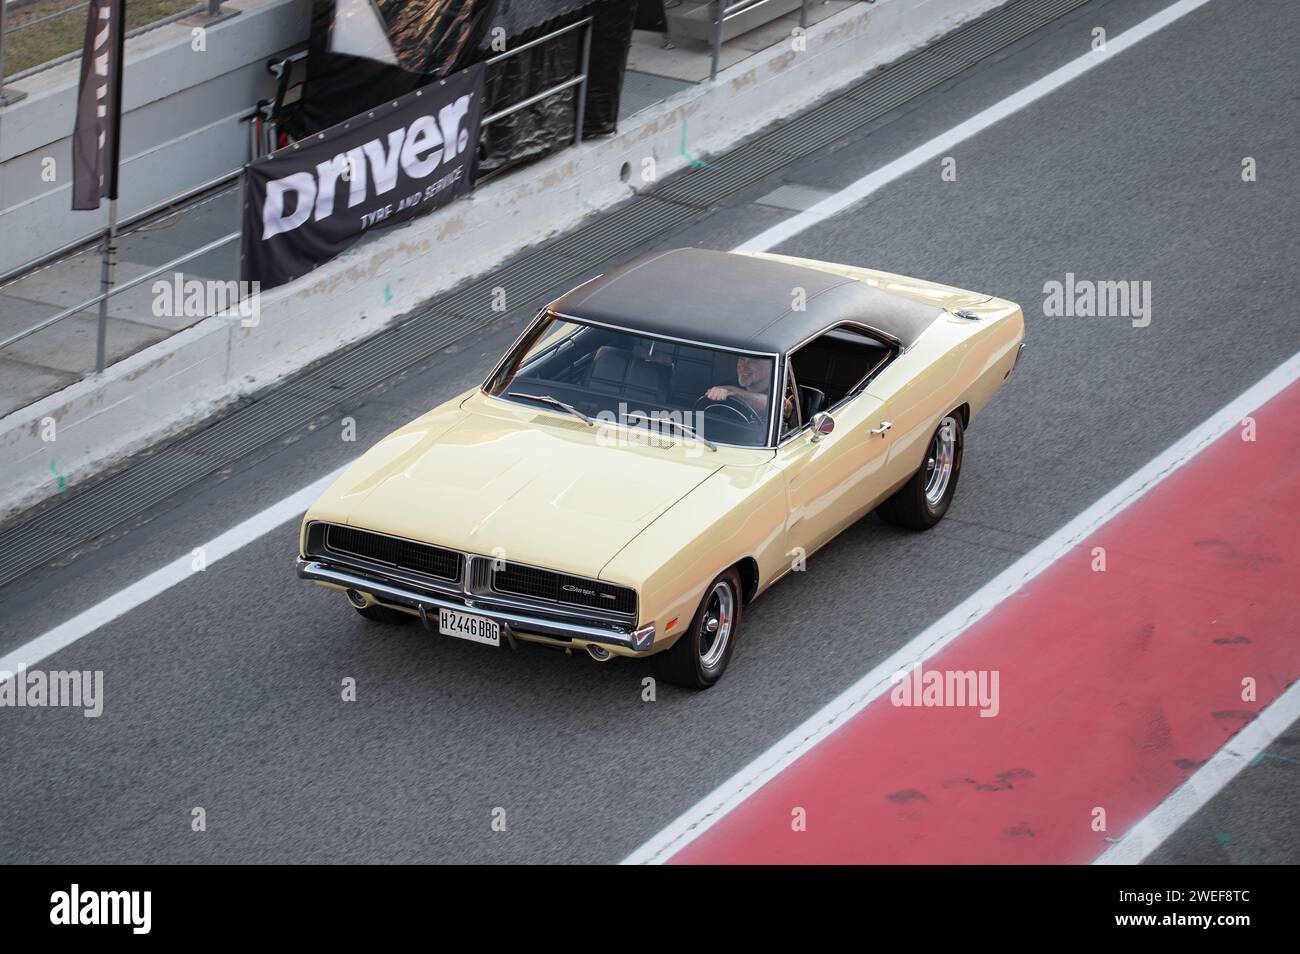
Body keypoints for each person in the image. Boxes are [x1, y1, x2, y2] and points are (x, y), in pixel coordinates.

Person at [704, 355, 797, 430]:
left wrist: (737, 393)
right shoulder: (726, 388)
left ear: (771, 365)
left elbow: (781, 408)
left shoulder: (787, 389)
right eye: (742, 359)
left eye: (753, 361)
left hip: (762, 449)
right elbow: (700, 426)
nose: (743, 366)